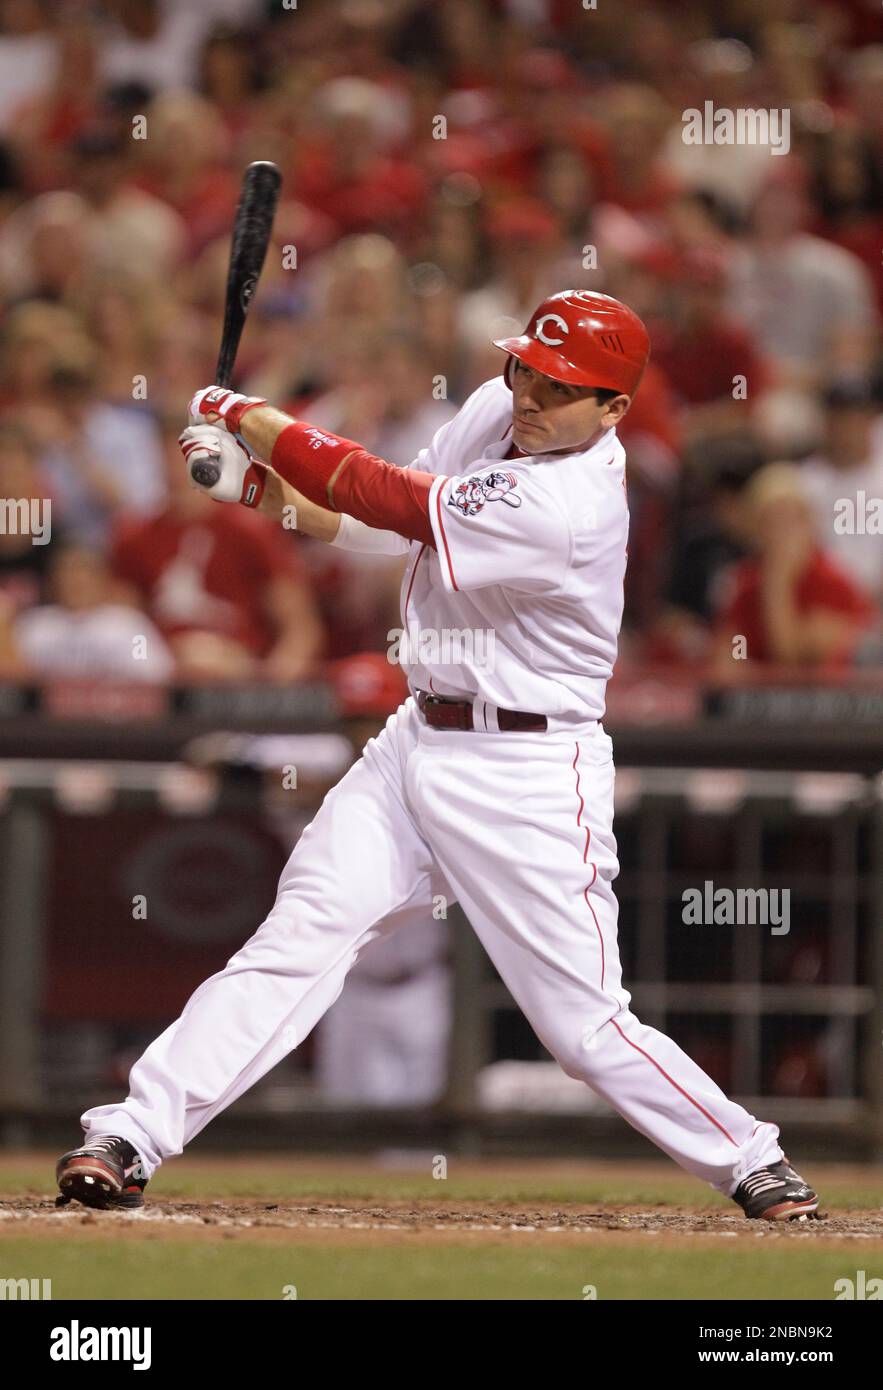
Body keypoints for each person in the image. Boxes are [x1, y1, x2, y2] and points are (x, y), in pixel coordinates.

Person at [56, 290, 819, 1223]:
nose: (531, 396)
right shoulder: (500, 411)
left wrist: (248, 415)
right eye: (526, 369)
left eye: (562, 386)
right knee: (294, 941)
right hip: (412, 738)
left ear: (614, 408)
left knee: (582, 1024)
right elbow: (388, 526)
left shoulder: (572, 499)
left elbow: (389, 494)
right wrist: (259, 491)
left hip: (528, 769)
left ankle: (751, 1158)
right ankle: (129, 1134)